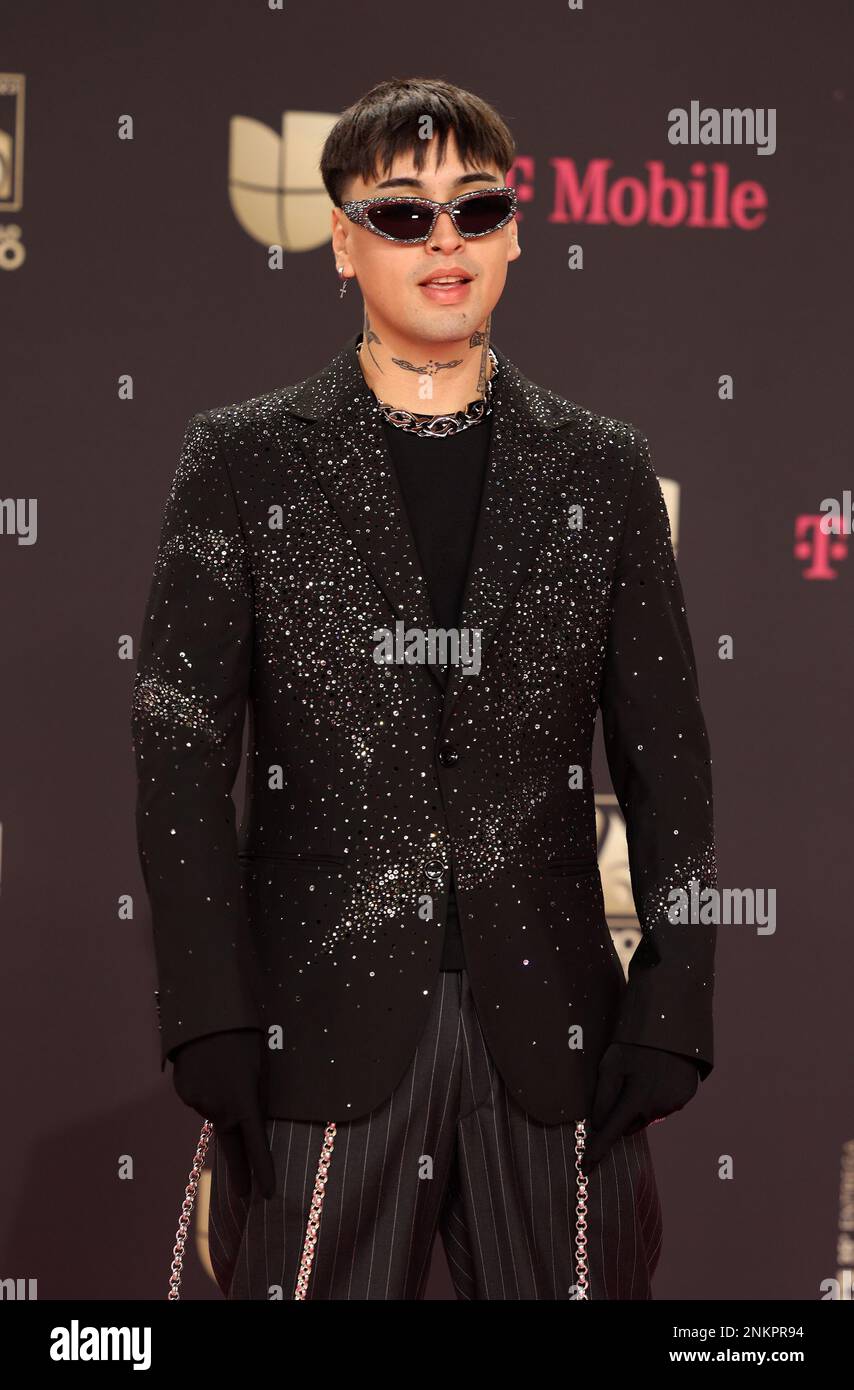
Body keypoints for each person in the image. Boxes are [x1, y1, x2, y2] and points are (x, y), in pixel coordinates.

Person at [131, 76, 717, 1300]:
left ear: (514, 230)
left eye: (474, 207)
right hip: (312, 1030)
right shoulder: (242, 458)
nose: (442, 239)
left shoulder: (601, 469)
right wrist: (207, 1011)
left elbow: (668, 760)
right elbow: (181, 749)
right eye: (402, 214)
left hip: (555, 1034)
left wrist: (672, 999)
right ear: (341, 240)